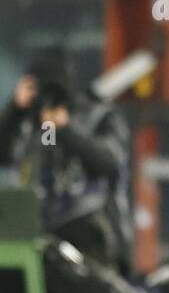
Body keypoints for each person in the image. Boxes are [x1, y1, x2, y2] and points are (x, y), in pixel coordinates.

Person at [0, 49, 132, 275]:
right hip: (36, 237)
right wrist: (15, 110)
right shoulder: (27, 121)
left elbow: (109, 163)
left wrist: (64, 129)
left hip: (93, 239)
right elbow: (4, 156)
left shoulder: (97, 116)